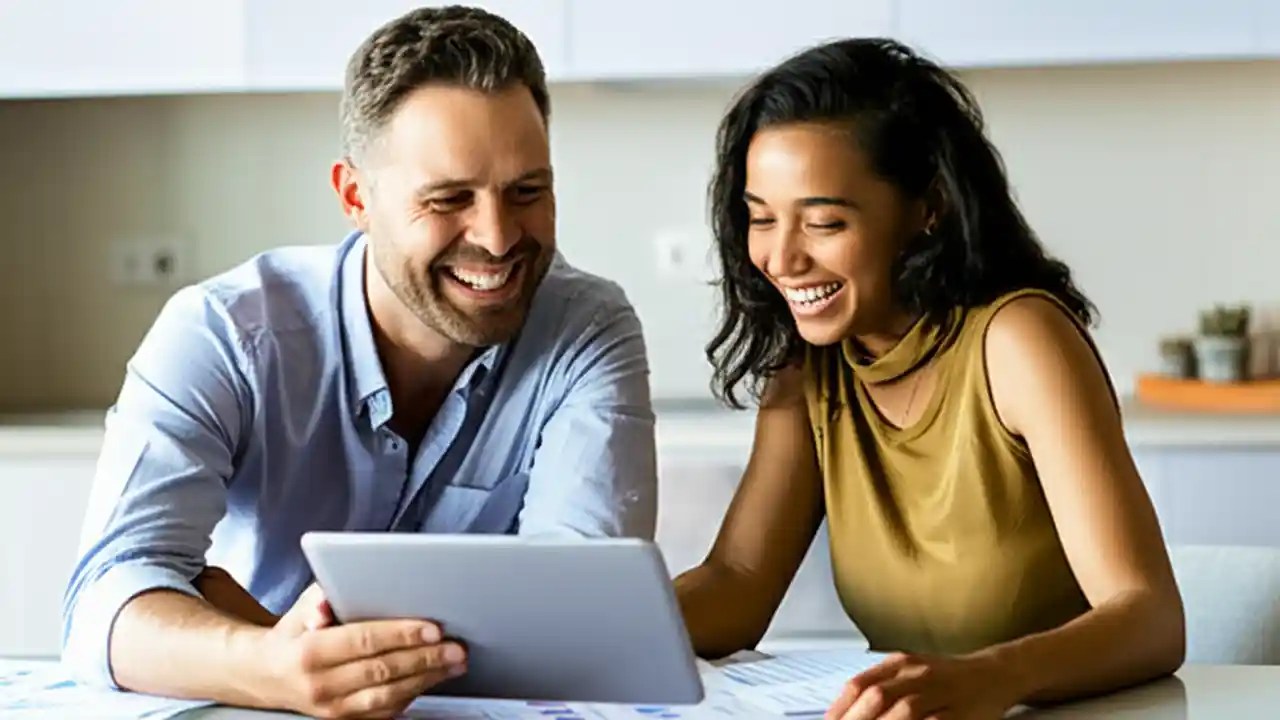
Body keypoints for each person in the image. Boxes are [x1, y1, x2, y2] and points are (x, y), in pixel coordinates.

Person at [61, 6, 656, 718]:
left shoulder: (587, 329)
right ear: (355, 197)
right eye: (449, 199)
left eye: (527, 192)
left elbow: (586, 615)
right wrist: (269, 666)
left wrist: (243, 623)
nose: (498, 238)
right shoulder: (224, 333)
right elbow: (106, 602)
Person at [675, 38, 1185, 720]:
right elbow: (738, 583)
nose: (781, 257)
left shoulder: (1018, 342)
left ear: (927, 208)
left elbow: (1149, 617)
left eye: (824, 222)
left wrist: (991, 678)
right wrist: (586, 633)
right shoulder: (808, 368)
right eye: (761, 218)